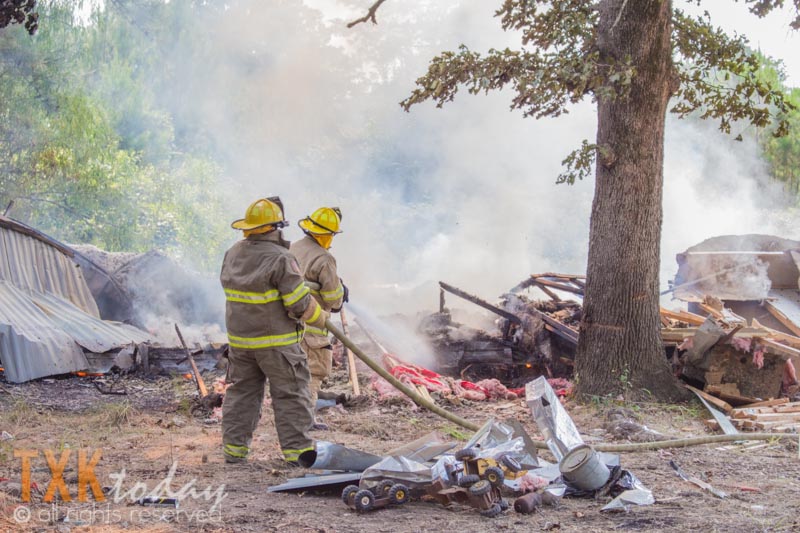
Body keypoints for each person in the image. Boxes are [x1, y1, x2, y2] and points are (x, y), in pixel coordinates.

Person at [220, 197, 328, 465]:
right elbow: (297, 302)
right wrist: (322, 318)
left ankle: (234, 451)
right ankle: (298, 454)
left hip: (241, 344)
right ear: (274, 227)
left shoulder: (233, 253)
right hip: (276, 346)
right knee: (291, 395)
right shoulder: (280, 258)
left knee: (241, 394)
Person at [290, 207, 348, 428]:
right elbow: (333, 300)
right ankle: (306, 421)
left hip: (287, 326)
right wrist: (341, 290)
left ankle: (292, 418)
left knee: (293, 376)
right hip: (311, 329)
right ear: (327, 234)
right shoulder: (324, 258)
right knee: (312, 373)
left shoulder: (291, 249)